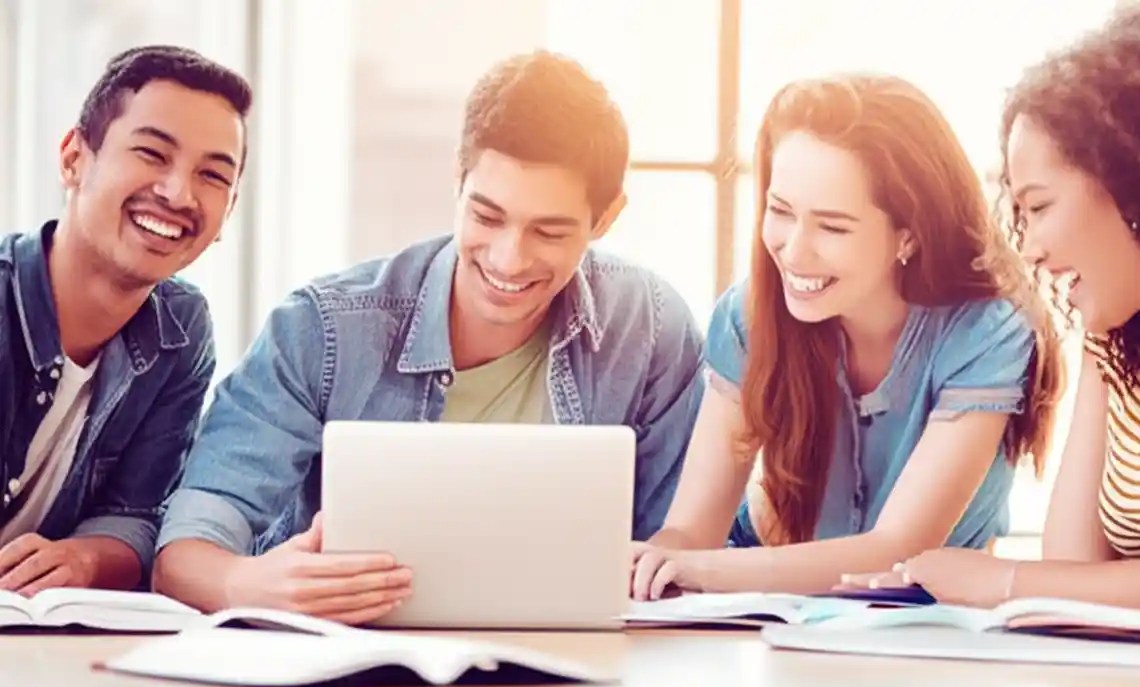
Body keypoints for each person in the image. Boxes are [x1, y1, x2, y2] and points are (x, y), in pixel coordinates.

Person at [152, 50, 705, 624]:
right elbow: (185, 552)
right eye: (487, 217)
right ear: (458, 182)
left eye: (548, 231)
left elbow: (681, 553)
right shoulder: (324, 329)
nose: (508, 259)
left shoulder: (651, 328)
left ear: (605, 218)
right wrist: (245, 583)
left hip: (582, 668)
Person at [844, 6, 1140, 632]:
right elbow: (1072, 564)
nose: (1030, 247)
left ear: (1131, 187)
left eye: (1040, 207)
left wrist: (998, 581)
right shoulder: (1119, 340)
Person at [630, 74, 1063, 599]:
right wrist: (656, 559)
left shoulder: (987, 332)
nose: (793, 250)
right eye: (780, 211)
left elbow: (897, 550)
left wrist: (700, 568)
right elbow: (693, 531)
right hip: (762, 617)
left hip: (924, 627)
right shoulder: (749, 316)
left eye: (832, 227)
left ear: (909, 234)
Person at [0, 46, 250, 595]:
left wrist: (83, 560)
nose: (178, 194)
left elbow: (136, 514)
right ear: (73, 158)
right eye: (152, 154)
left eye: (212, 175)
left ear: (228, 211)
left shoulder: (180, 333)